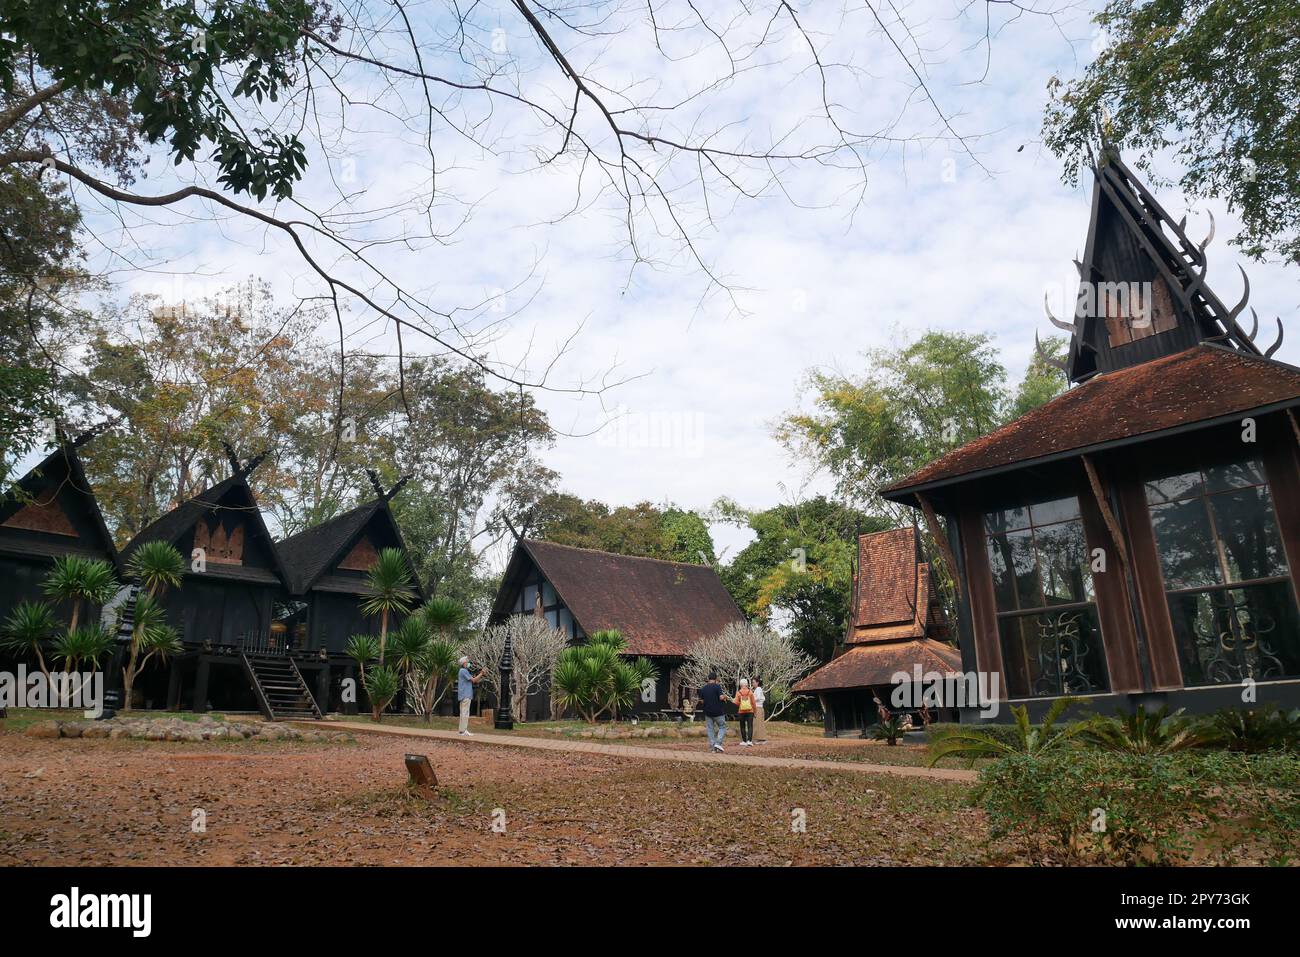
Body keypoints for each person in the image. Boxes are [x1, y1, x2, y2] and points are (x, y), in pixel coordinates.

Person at [698, 671, 728, 752]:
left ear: (708, 679)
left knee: (710, 729)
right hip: (718, 712)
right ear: (716, 679)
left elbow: (701, 701)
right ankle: (718, 743)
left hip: (708, 712)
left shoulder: (703, 688)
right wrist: (725, 697)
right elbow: (721, 697)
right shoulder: (717, 687)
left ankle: (712, 748)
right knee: (722, 727)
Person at [456, 656, 486, 735]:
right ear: (464, 663)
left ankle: (461, 730)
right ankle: (464, 730)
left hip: (463, 695)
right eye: (467, 661)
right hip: (466, 695)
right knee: (465, 712)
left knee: (463, 712)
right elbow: (474, 680)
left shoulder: (462, 671)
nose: (468, 663)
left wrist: (479, 675)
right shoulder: (463, 671)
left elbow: (473, 679)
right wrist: (481, 674)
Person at [733, 678, 756, 747]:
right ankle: (749, 741)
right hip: (750, 711)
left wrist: (740, 703)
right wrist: (755, 711)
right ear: (747, 684)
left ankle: (744, 741)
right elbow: (753, 703)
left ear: (740, 685)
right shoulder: (750, 692)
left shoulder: (738, 693)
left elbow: (736, 703)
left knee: (742, 726)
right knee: (750, 726)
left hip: (741, 711)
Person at [752, 678, 767, 744]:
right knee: (759, 723)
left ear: (757, 683)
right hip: (759, 708)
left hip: (758, 708)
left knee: (758, 723)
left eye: (754, 682)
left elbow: (758, 698)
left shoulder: (758, 689)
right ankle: (761, 739)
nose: (753, 684)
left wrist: (751, 700)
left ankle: (760, 739)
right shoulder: (757, 689)